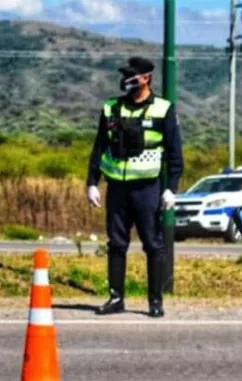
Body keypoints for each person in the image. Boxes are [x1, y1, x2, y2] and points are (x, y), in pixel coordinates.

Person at [86, 56, 183, 318]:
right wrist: (92, 182)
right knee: (116, 244)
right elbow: (99, 147)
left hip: (148, 189)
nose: (126, 81)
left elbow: (175, 153)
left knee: (153, 244)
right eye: (125, 76)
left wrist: (171, 188)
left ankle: (155, 300)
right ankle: (116, 298)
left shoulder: (163, 109)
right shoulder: (110, 108)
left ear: (146, 78)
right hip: (117, 188)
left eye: (132, 76)